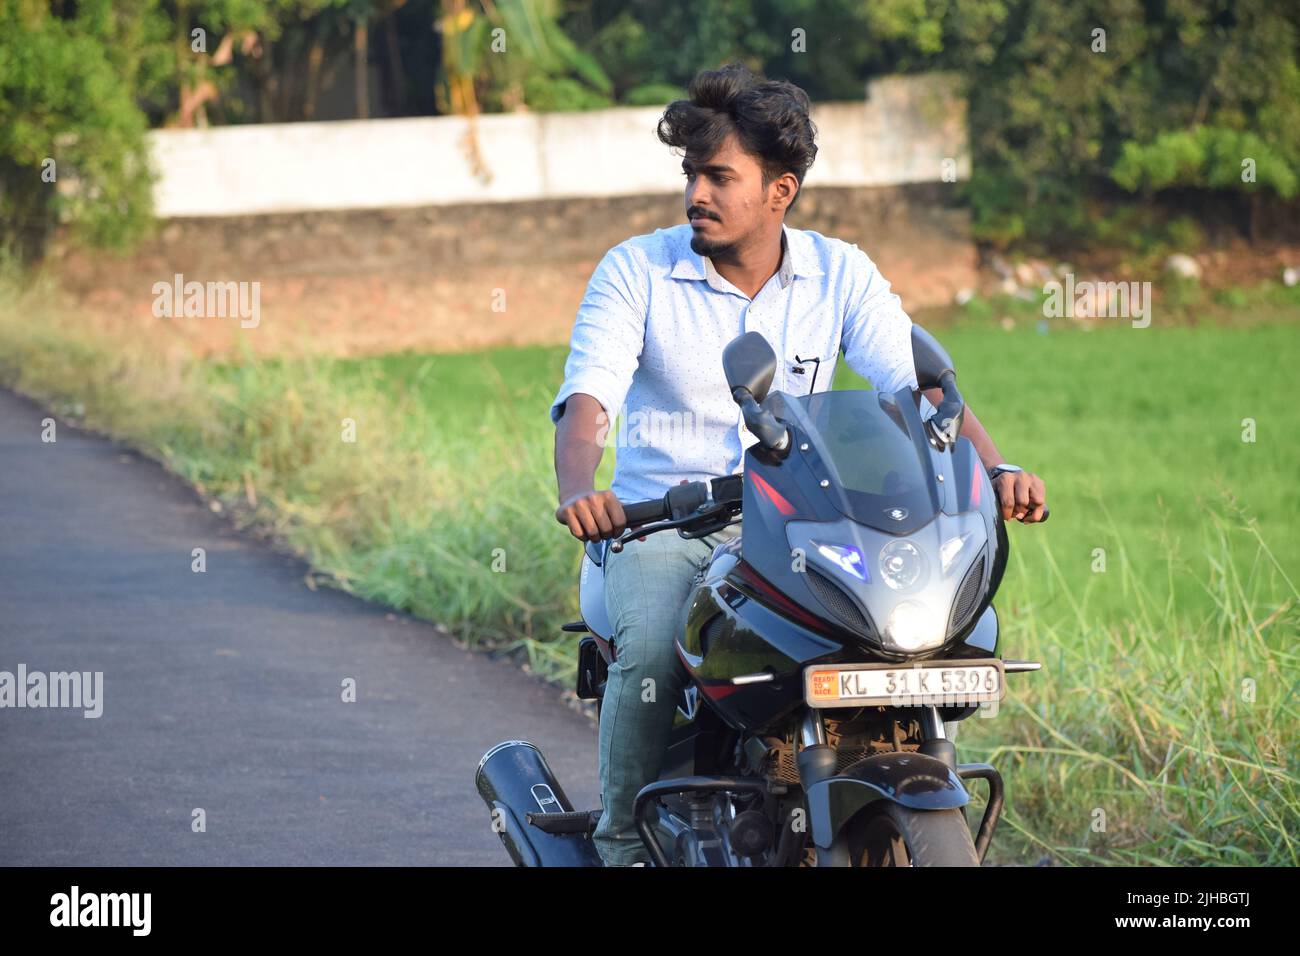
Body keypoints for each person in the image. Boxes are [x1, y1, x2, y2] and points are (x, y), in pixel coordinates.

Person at [549, 62, 1047, 866]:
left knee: (894, 643)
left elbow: (922, 389)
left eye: (719, 176)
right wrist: (582, 489)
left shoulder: (839, 272)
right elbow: (588, 402)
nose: (695, 195)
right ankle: (619, 845)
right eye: (691, 175)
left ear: (780, 191)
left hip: (786, 521)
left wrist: (994, 472)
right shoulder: (636, 271)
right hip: (658, 530)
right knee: (648, 651)